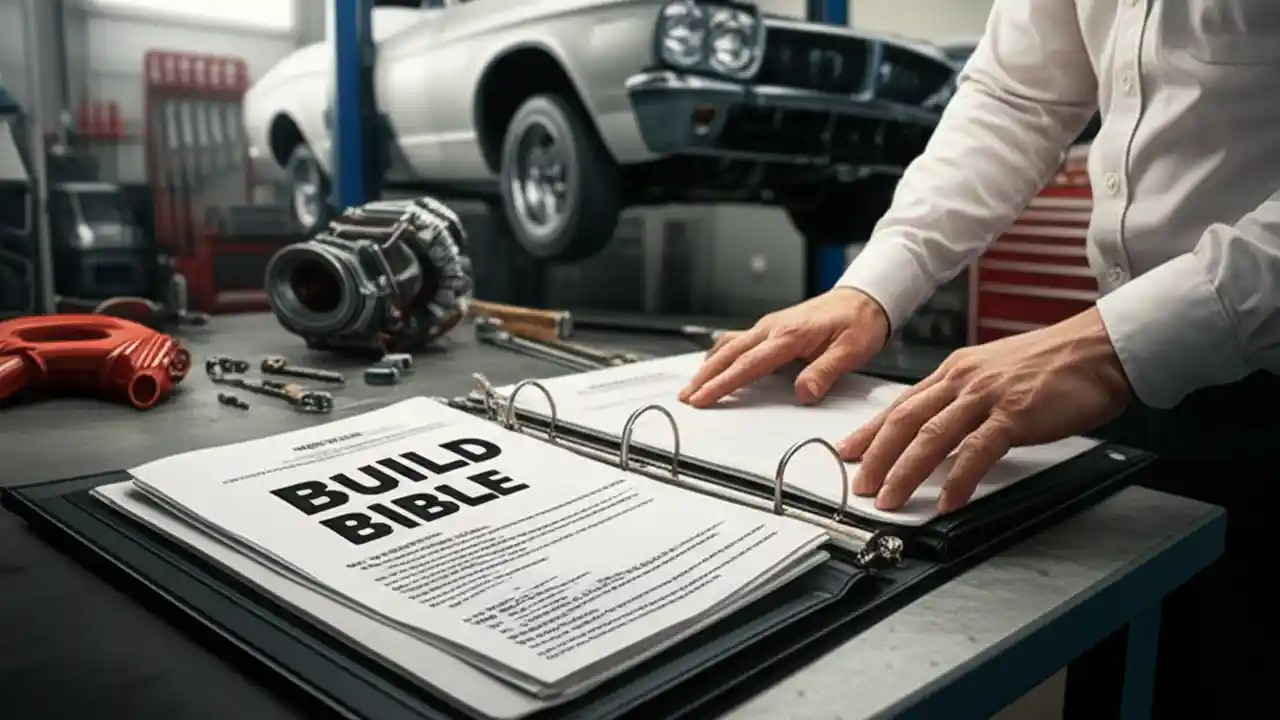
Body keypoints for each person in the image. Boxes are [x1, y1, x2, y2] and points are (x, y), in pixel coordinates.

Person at [679, 1, 1278, 717]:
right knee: (1130, 669)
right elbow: (1015, 95)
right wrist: (875, 283)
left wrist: (1111, 344)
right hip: (1140, 394)